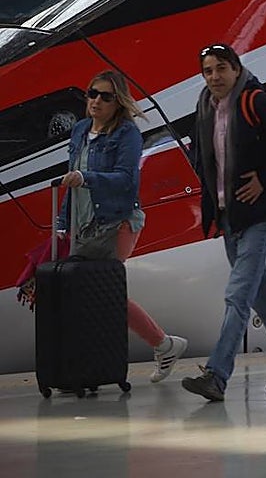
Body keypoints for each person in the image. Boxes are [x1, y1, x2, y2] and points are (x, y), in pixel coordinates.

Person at [181, 43, 266, 402]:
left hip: (260, 213)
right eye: (208, 70)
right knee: (262, 294)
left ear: (237, 69)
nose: (215, 76)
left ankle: (216, 375)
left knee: (238, 294)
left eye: (221, 68)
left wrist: (265, 178)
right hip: (230, 215)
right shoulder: (204, 106)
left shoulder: (255, 102)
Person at [56, 70, 188, 383]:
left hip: (116, 221)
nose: (96, 101)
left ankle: (161, 344)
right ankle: (93, 363)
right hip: (83, 224)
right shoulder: (79, 131)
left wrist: (89, 179)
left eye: (106, 96)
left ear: (119, 102)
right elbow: (72, 176)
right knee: (90, 292)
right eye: (92, 93)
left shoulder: (125, 134)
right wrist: (63, 220)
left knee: (105, 290)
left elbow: (128, 181)